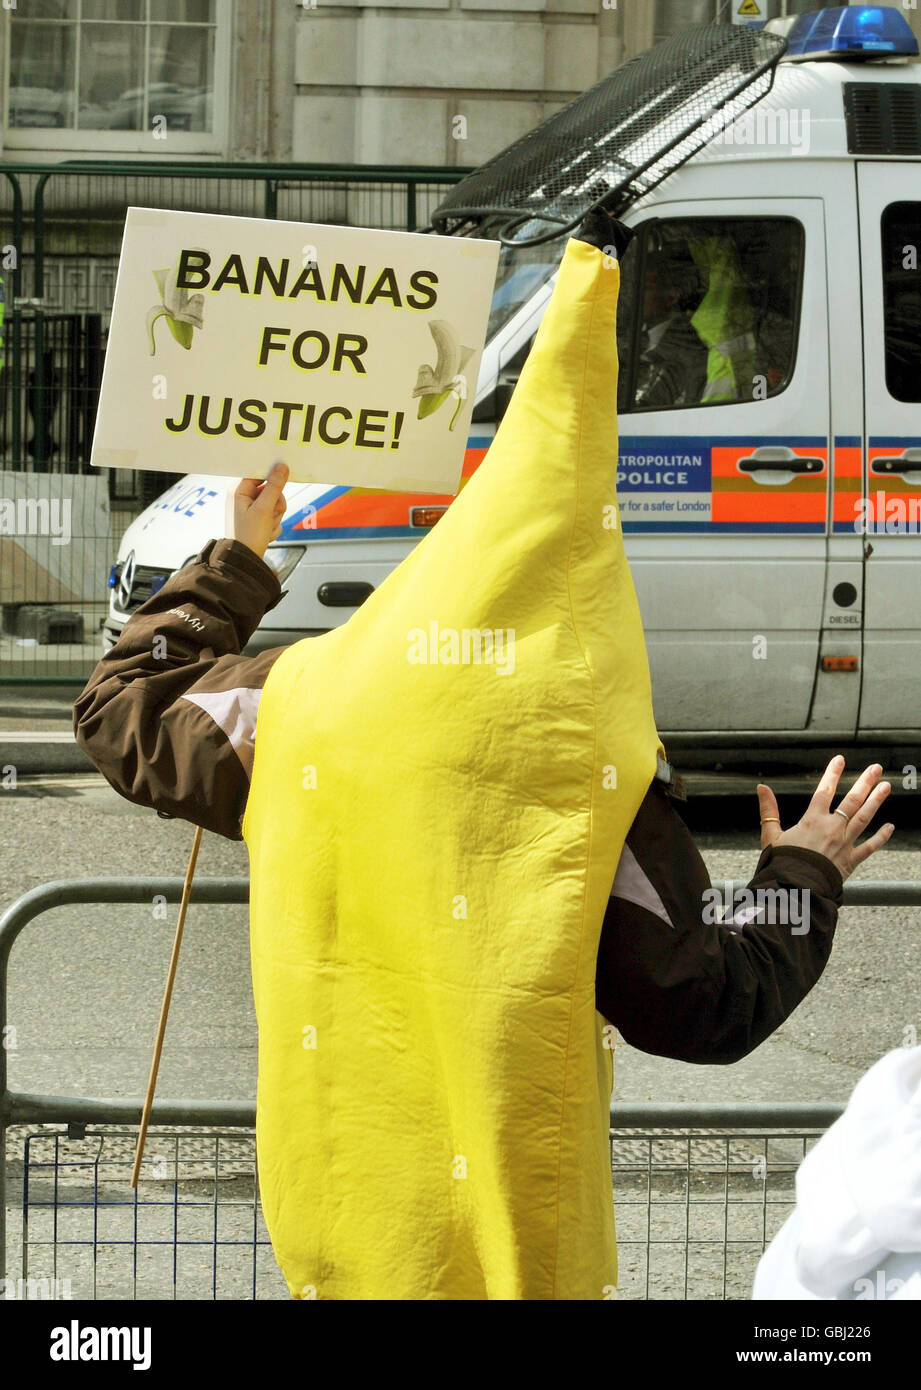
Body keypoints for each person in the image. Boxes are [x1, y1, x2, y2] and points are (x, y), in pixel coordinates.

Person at [73, 212, 893, 1299]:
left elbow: (121, 707)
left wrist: (236, 559)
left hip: (337, 1232)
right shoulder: (585, 772)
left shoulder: (309, 698)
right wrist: (805, 873)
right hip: (514, 1258)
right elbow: (700, 1002)